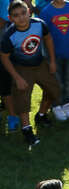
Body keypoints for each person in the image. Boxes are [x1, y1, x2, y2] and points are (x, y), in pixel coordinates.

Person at [1, 0, 61, 145]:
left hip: (40, 64)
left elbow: (48, 39)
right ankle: (26, 129)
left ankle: (41, 115)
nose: (21, 17)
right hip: (21, 68)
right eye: (16, 15)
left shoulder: (39, 24)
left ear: (29, 11)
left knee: (54, 90)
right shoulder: (9, 35)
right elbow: (4, 57)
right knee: (23, 98)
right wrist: (16, 77)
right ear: (11, 19)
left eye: (23, 13)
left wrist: (52, 61)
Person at [39, 0, 69, 119]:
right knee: (57, 81)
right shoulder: (46, 12)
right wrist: (51, 60)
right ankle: (56, 105)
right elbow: (45, 38)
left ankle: (67, 103)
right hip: (54, 55)